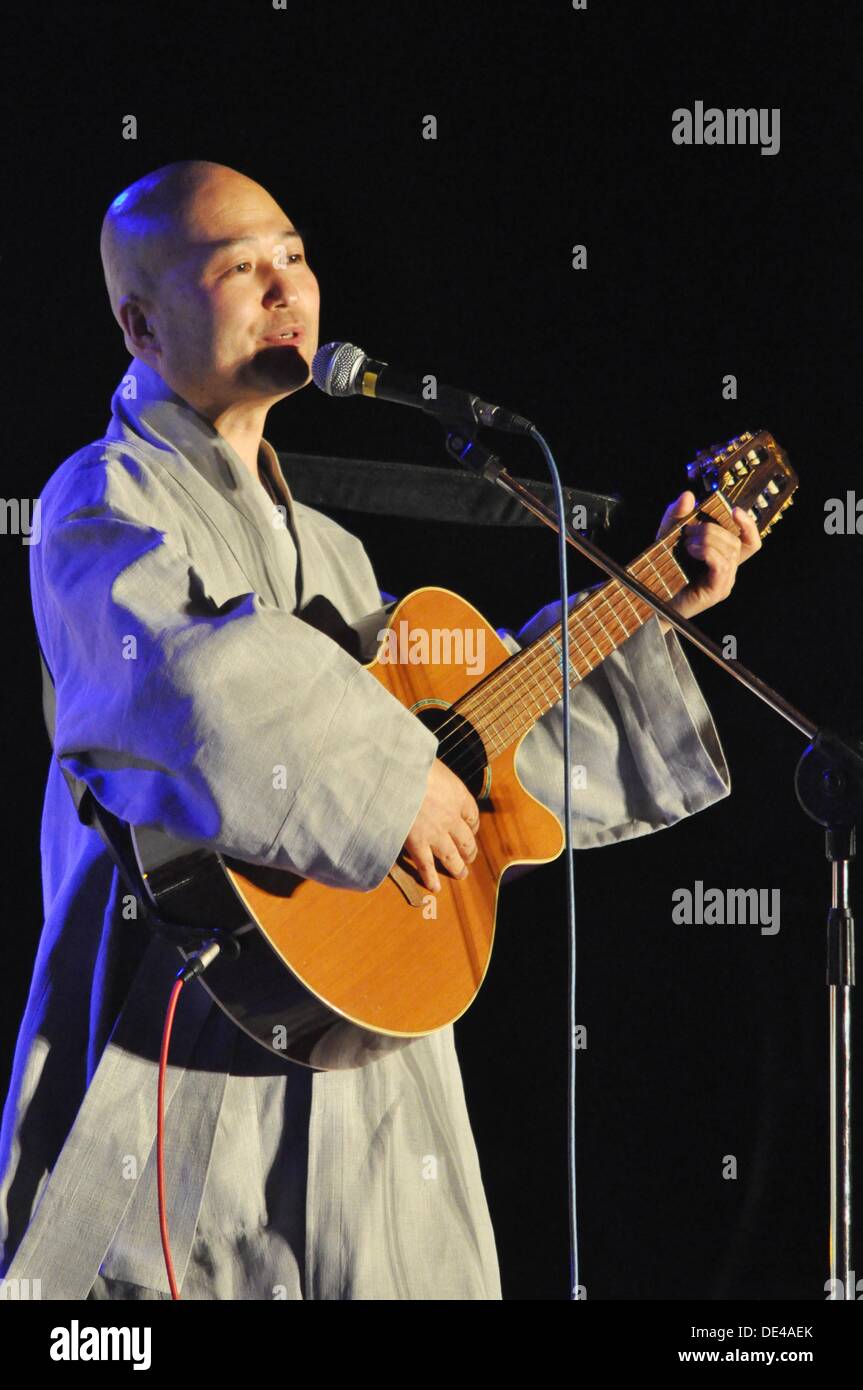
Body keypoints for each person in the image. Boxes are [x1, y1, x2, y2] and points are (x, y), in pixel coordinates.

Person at [0, 161, 760, 1301]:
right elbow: (186, 683)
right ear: (139, 321)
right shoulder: (102, 502)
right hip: (183, 1039)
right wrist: (388, 776)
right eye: (239, 265)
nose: (284, 283)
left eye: (294, 255)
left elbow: (481, 735)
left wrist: (651, 601)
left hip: (359, 1048)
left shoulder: (342, 561)